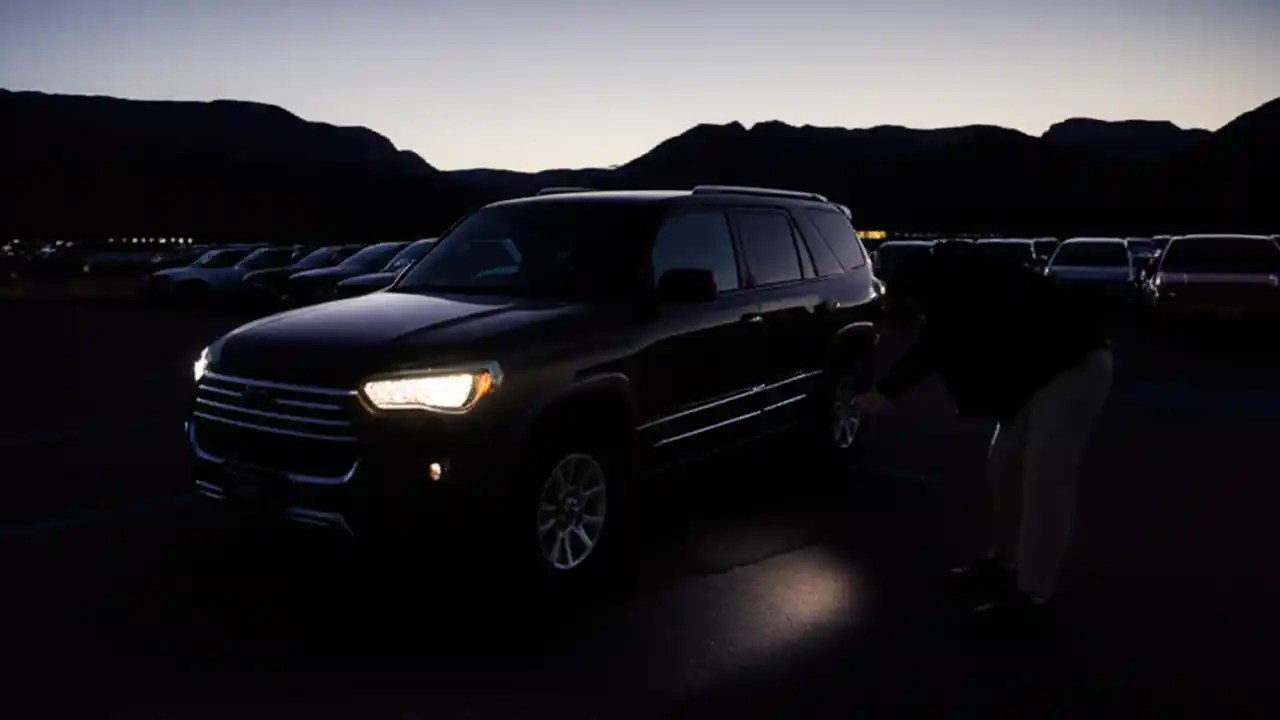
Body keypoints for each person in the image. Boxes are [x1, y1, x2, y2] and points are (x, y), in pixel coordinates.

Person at [853, 243, 1113, 616]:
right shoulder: (958, 283)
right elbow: (945, 347)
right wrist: (884, 393)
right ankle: (1004, 562)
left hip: (1075, 366)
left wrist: (883, 393)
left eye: (913, 307)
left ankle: (1032, 592)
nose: (916, 317)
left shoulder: (963, 292)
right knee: (1004, 464)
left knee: (1045, 478)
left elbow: (935, 349)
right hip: (1033, 373)